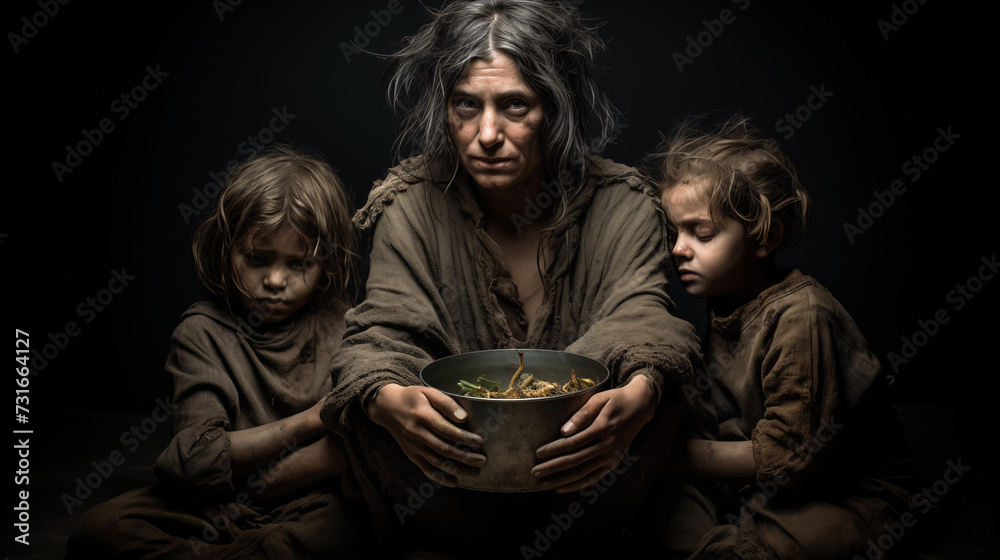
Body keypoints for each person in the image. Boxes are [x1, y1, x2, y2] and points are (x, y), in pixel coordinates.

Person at [318, 1, 704, 558]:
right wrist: (386, 400)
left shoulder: (624, 204)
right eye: (466, 105)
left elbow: (643, 318)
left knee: (665, 387)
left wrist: (641, 397)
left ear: (555, 108)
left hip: (590, 489)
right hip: (446, 494)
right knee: (362, 401)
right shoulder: (409, 205)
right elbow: (380, 335)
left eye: (515, 105)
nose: (487, 134)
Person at [64, 145, 368, 559]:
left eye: (299, 264)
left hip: (312, 502)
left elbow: (348, 454)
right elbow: (192, 464)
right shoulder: (202, 332)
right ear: (226, 247)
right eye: (257, 258)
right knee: (101, 531)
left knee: (356, 526)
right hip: (214, 508)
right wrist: (311, 419)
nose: (275, 280)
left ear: (325, 264)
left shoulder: (341, 323)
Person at [647, 115, 924, 559]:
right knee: (652, 513)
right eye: (674, 231)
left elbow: (792, 456)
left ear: (764, 237)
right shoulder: (726, 297)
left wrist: (669, 455)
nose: (678, 248)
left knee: (762, 547)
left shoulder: (803, 315)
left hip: (850, 494)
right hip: (762, 489)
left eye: (702, 233)